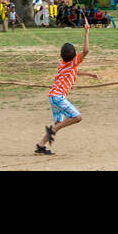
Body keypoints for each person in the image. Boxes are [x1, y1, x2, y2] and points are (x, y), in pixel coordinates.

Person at [36, 19, 98, 155]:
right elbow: (86, 50)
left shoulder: (63, 64)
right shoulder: (73, 63)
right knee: (77, 117)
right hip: (58, 97)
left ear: (61, 55)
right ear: (75, 56)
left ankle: (40, 145)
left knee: (58, 123)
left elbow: (74, 72)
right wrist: (87, 31)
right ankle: (55, 129)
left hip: (53, 96)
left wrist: (89, 74)